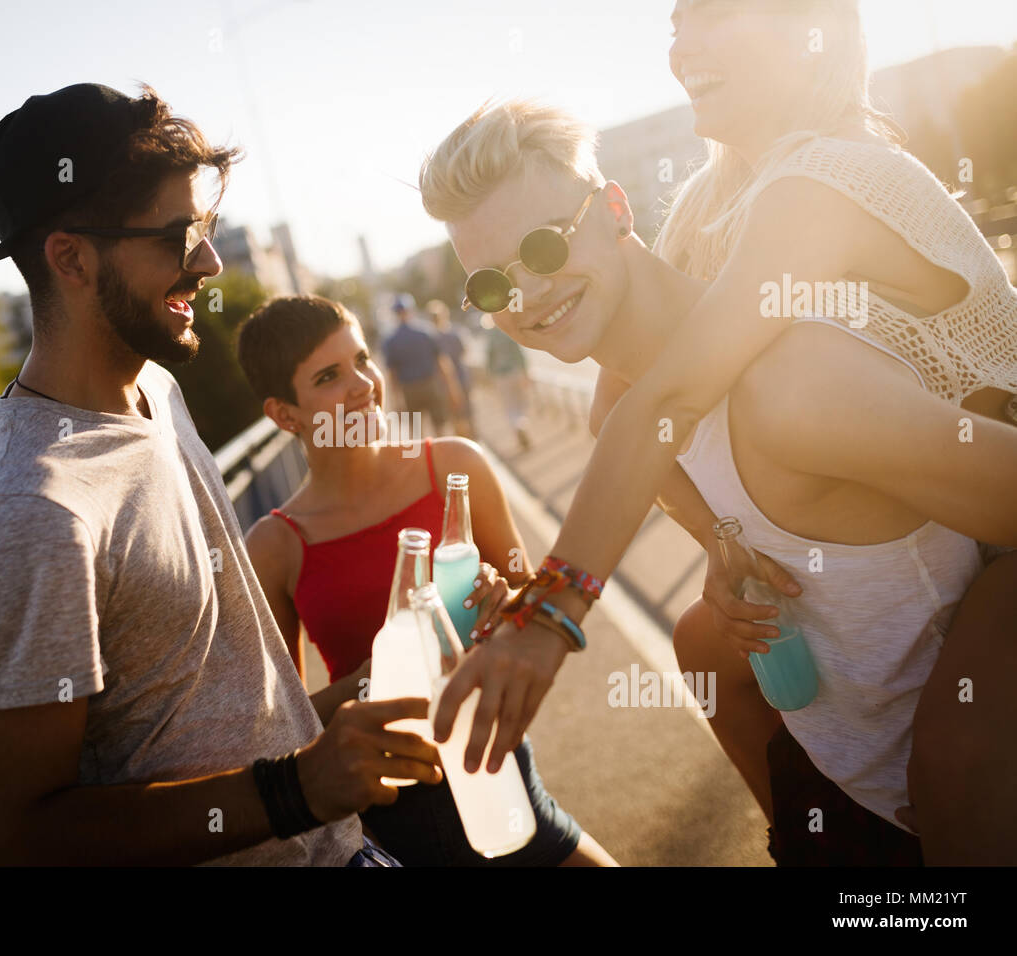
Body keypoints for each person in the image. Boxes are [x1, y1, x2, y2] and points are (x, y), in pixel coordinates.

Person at [418, 90, 1017, 865]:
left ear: (615, 210)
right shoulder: (620, 420)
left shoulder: (792, 384)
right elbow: (678, 477)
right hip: (856, 799)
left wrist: (964, 763)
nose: (525, 296)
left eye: (540, 249)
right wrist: (721, 556)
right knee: (699, 643)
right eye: (492, 287)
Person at [0, 82, 441, 867]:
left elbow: (181, 714)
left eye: (206, 229)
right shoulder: (30, 511)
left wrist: (327, 716)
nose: (208, 261)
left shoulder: (157, 388)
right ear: (70, 257)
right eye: (179, 236)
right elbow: (25, 837)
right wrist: (296, 789)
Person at [236, 294, 616, 866]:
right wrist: (376, 681)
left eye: (362, 359)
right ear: (285, 415)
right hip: (395, 818)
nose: (363, 383)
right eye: (329, 376)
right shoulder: (273, 546)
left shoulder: (456, 466)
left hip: (498, 770)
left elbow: (533, 601)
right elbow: (280, 728)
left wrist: (503, 600)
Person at [381, 293, 460, 434]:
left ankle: (424, 456)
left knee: (417, 432)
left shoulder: (391, 340)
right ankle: (442, 455)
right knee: (440, 428)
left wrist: (396, 401)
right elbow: (442, 362)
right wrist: (452, 388)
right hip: (431, 385)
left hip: (409, 390)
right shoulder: (427, 332)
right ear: (411, 310)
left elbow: (392, 374)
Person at [426, 299, 473, 436]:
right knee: (466, 411)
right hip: (460, 376)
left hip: (441, 383)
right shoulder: (455, 333)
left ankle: (461, 439)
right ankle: (470, 439)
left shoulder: (430, 338)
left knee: (452, 414)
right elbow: (464, 352)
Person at [485, 326, 533, 450]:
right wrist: (525, 372)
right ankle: (522, 424)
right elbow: (519, 353)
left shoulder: (491, 337)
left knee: (509, 406)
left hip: (501, 376)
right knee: (521, 403)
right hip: (515, 372)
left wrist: (490, 377)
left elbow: (489, 359)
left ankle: (516, 426)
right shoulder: (509, 332)